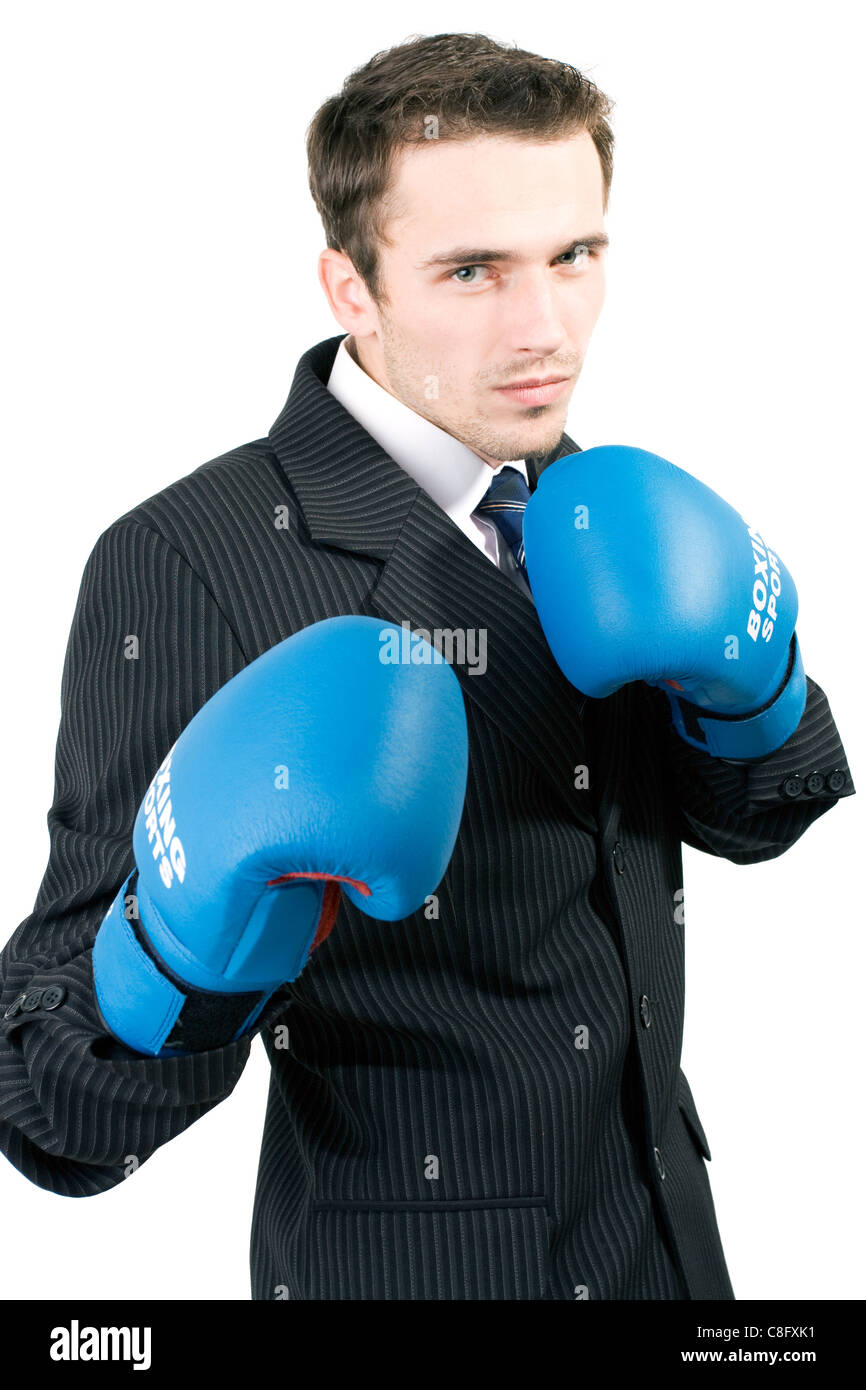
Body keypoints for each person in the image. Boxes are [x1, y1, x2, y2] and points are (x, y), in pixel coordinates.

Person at [0, 31, 854, 1301]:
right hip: (416, 1274)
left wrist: (755, 689)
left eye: (574, 256)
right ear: (350, 286)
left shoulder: (595, 503)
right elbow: (51, 1111)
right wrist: (176, 952)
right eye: (471, 272)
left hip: (673, 1259)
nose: (543, 327)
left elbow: (759, 818)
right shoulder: (189, 555)